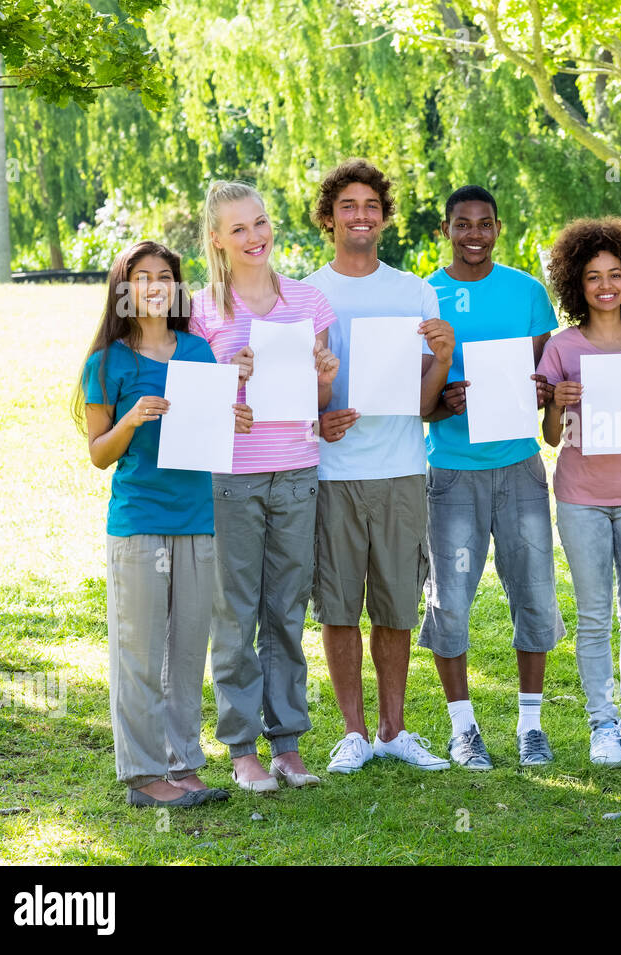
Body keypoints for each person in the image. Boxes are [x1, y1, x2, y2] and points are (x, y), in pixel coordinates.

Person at [76, 240, 252, 806]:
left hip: (198, 519)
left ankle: (183, 764)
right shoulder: (107, 363)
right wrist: (129, 419)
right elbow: (100, 454)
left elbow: (208, 435)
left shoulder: (199, 352)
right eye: (142, 277)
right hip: (140, 524)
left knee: (186, 650)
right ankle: (144, 774)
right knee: (141, 651)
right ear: (124, 290)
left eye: (165, 276)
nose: (155, 286)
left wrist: (235, 419)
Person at [303, 159, 455, 774]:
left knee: (395, 605)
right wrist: (317, 421)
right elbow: (293, 392)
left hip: (400, 471)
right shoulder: (307, 294)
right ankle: (354, 734)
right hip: (332, 472)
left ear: (384, 217)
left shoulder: (413, 292)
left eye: (371, 205)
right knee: (339, 606)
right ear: (328, 218)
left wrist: (441, 359)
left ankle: (393, 731)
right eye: (348, 205)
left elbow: (421, 405)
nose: (360, 215)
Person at [190, 180, 340, 791]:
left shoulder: (308, 302)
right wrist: (228, 379)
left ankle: (288, 743)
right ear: (217, 240)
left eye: (260, 223)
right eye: (239, 229)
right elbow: (195, 403)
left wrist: (325, 376)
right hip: (231, 480)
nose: (255, 238)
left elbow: (321, 400)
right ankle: (240, 747)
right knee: (235, 613)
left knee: (286, 610)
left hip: (298, 473)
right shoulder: (201, 311)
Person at [420, 185, 564, 769]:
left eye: (484, 224)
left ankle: (531, 726)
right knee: (449, 602)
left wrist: (543, 390)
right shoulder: (424, 295)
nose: (473, 234)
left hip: (520, 466)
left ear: (498, 228)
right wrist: (442, 400)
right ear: (447, 230)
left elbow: (543, 377)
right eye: (462, 224)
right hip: (452, 471)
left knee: (533, 592)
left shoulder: (528, 293)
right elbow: (418, 403)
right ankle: (464, 728)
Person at [538, 218, 621, 768]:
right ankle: (602, 724)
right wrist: (557, 401)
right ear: (578, 283)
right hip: (580, 496)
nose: (605, 286)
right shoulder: (561, 346)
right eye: (593, 277)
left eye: (615, 274)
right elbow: (550, 437)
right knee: (594, 615)